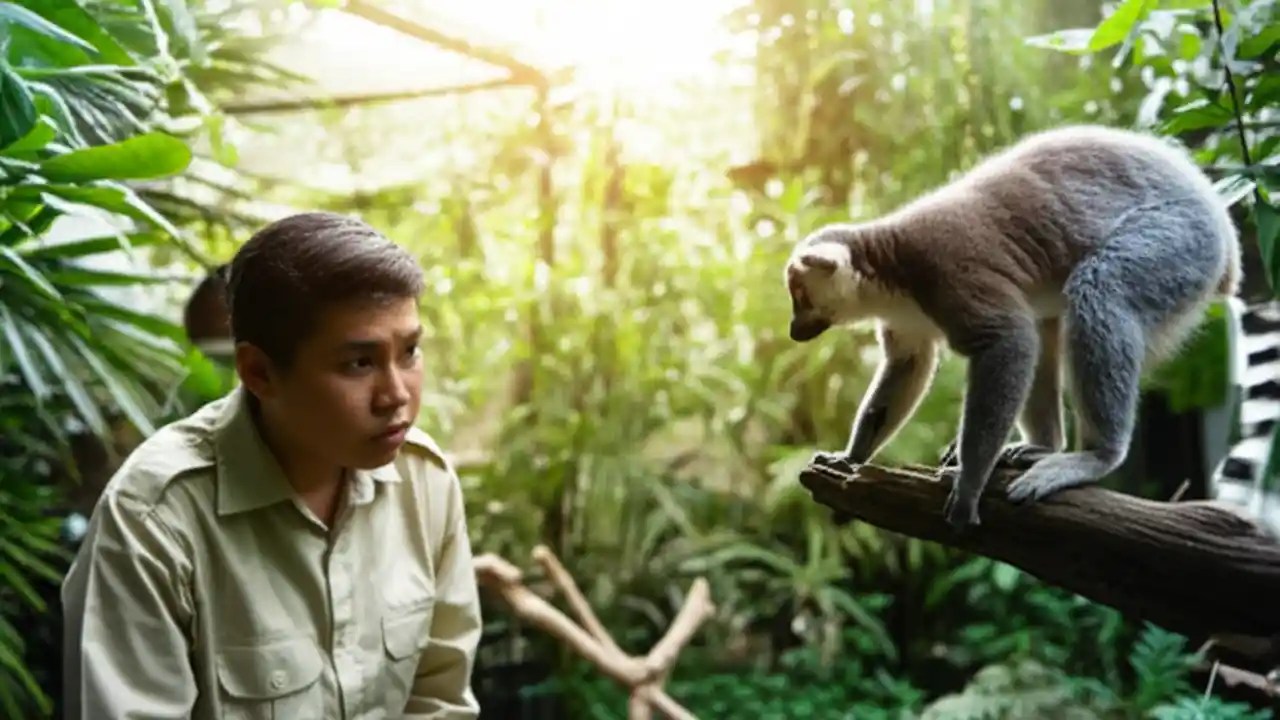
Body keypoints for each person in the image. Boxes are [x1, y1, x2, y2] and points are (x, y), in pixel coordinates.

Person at [60, 212, 482, 719]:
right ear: (259, 372)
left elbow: (439, 701)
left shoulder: (425, 485)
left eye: (409, 352)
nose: (396, 395)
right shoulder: (155, 521)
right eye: (359, 363)